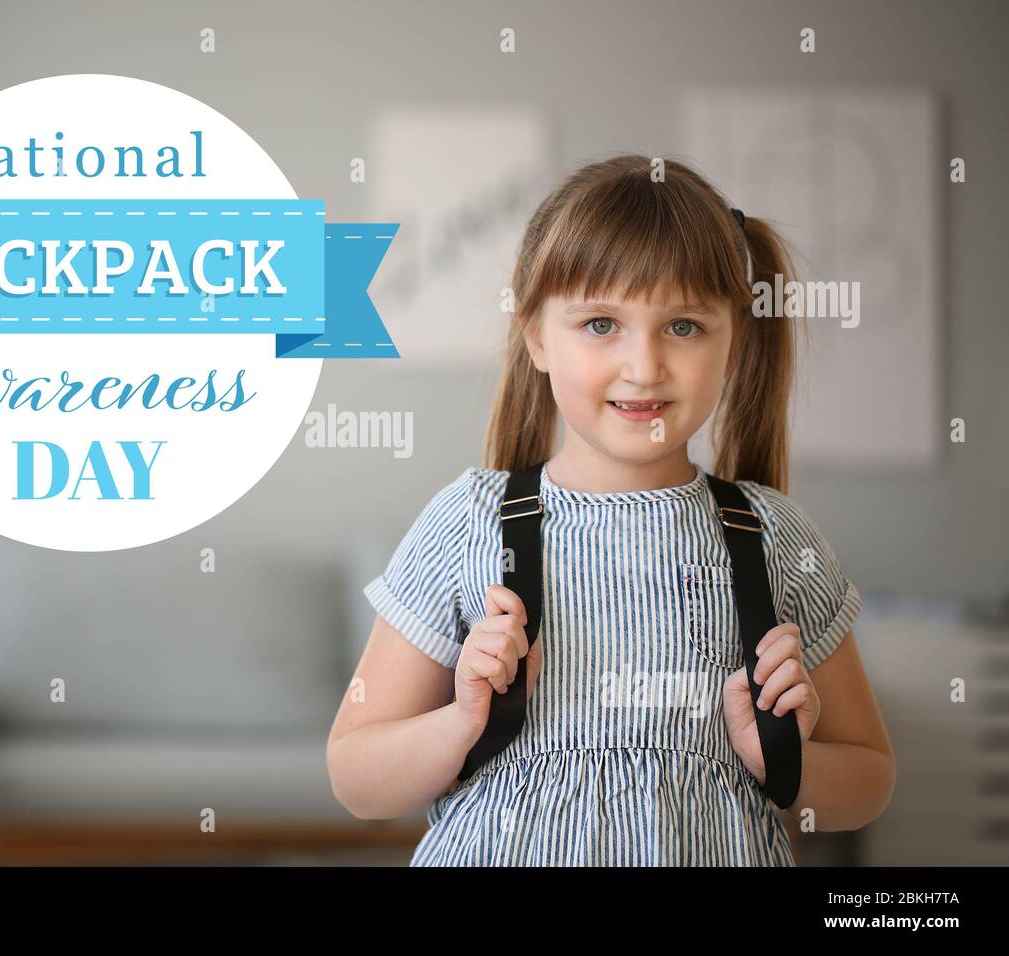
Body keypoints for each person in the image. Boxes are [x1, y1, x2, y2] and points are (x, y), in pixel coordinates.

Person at [326, 154, 896, 865]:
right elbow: (357, 778)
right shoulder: (466, 522)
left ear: (735, 340)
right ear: (537, 335)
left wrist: (782, 759)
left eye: (684, 326)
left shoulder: (775, 538)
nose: (644, 364)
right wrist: (461, 722)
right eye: (601, 324)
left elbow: (870, 780)